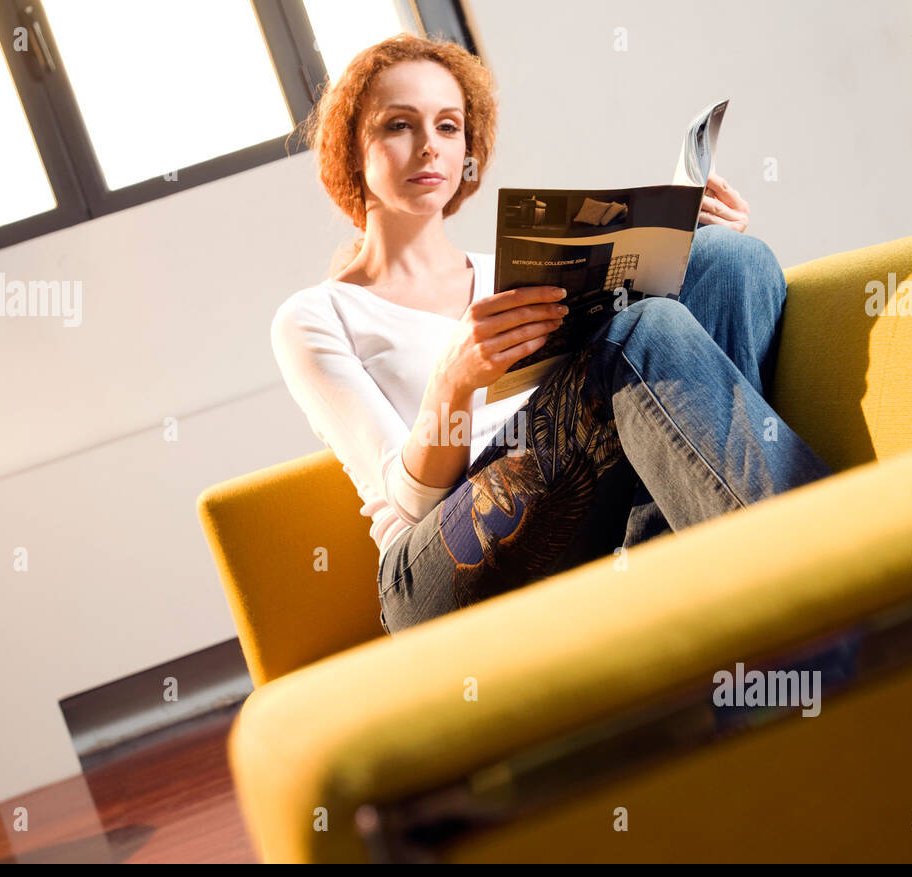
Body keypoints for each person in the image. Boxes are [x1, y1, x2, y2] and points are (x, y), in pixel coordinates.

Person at [270, 34, 834, 637]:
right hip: (434, 564)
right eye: (399, 126)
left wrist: (694, 246)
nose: (429, 147)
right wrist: (452, 383)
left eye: (448, 126)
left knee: (732, 260)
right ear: (352, 149)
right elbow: (408, 505)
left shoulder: (509, 273)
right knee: (640, 332)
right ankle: (830, 562)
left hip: (575, 507)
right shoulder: (314, 317)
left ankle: (688, 611)